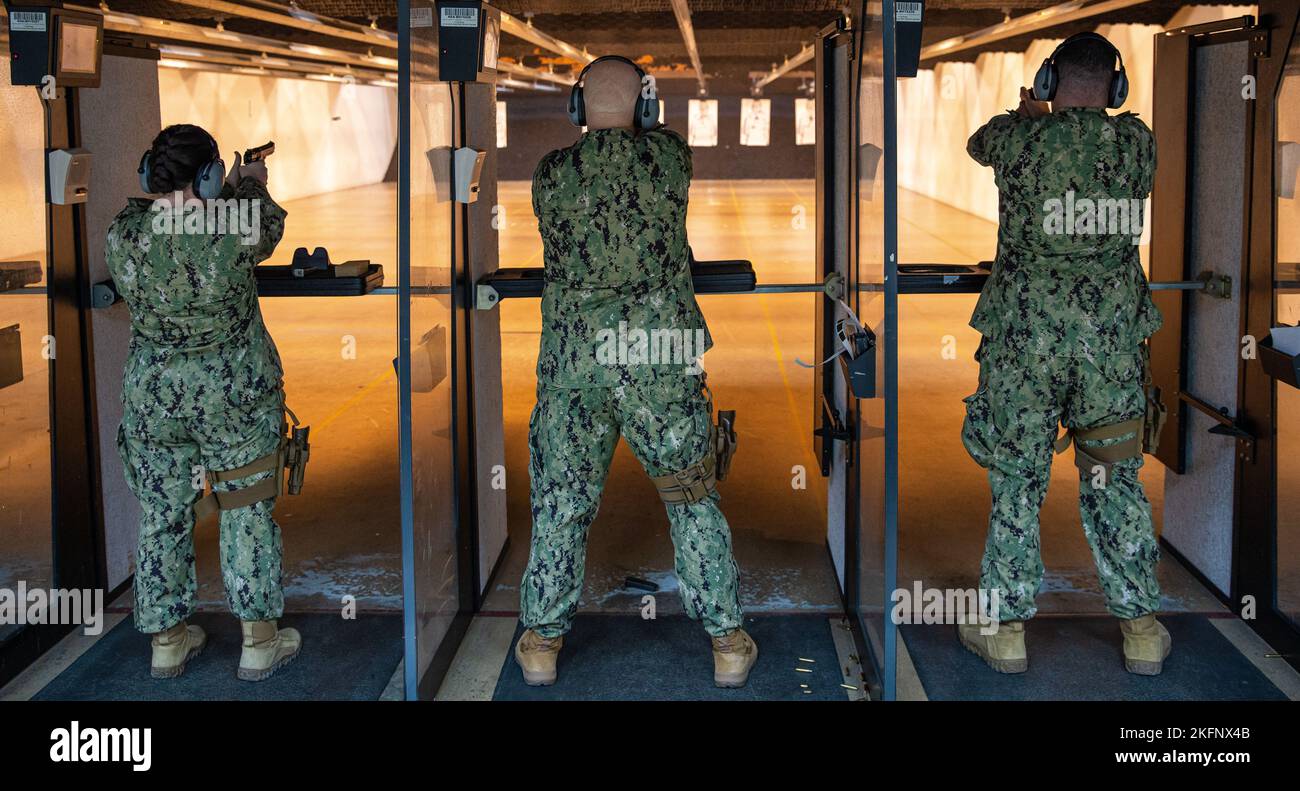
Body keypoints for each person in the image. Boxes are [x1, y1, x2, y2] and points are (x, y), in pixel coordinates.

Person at [515, 56, 755, 687]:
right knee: (691, 498)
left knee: (562, 505)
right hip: (660, 362)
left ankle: (541, 644)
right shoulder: (669, 160)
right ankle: (727, 643)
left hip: (575, 368)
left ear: (576, 107)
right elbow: (656, 141)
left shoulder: (551, 174)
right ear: (647, 108)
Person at [958, 33, 1171, 675]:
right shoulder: (1137, 143)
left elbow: (978, 143)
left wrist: (1029, 116)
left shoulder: (1018, 140)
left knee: (1018, 478)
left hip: (1026, 346)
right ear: (1116, 88)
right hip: (1109, 346)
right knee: (1112, 477)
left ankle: (1006, 631)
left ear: (1050, 80)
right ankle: (1140, 629)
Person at [106, 124, 301, 681]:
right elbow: (265, 226)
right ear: (211, 176)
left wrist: (222, 193)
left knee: (162, 510)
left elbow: (174, 232)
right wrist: (253, 182)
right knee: (246, 506)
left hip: (154, 402)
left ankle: (167, 641)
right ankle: (258, 642)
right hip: (234, 400)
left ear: (150, 172)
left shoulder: (123, 232)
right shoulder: (236, 225)